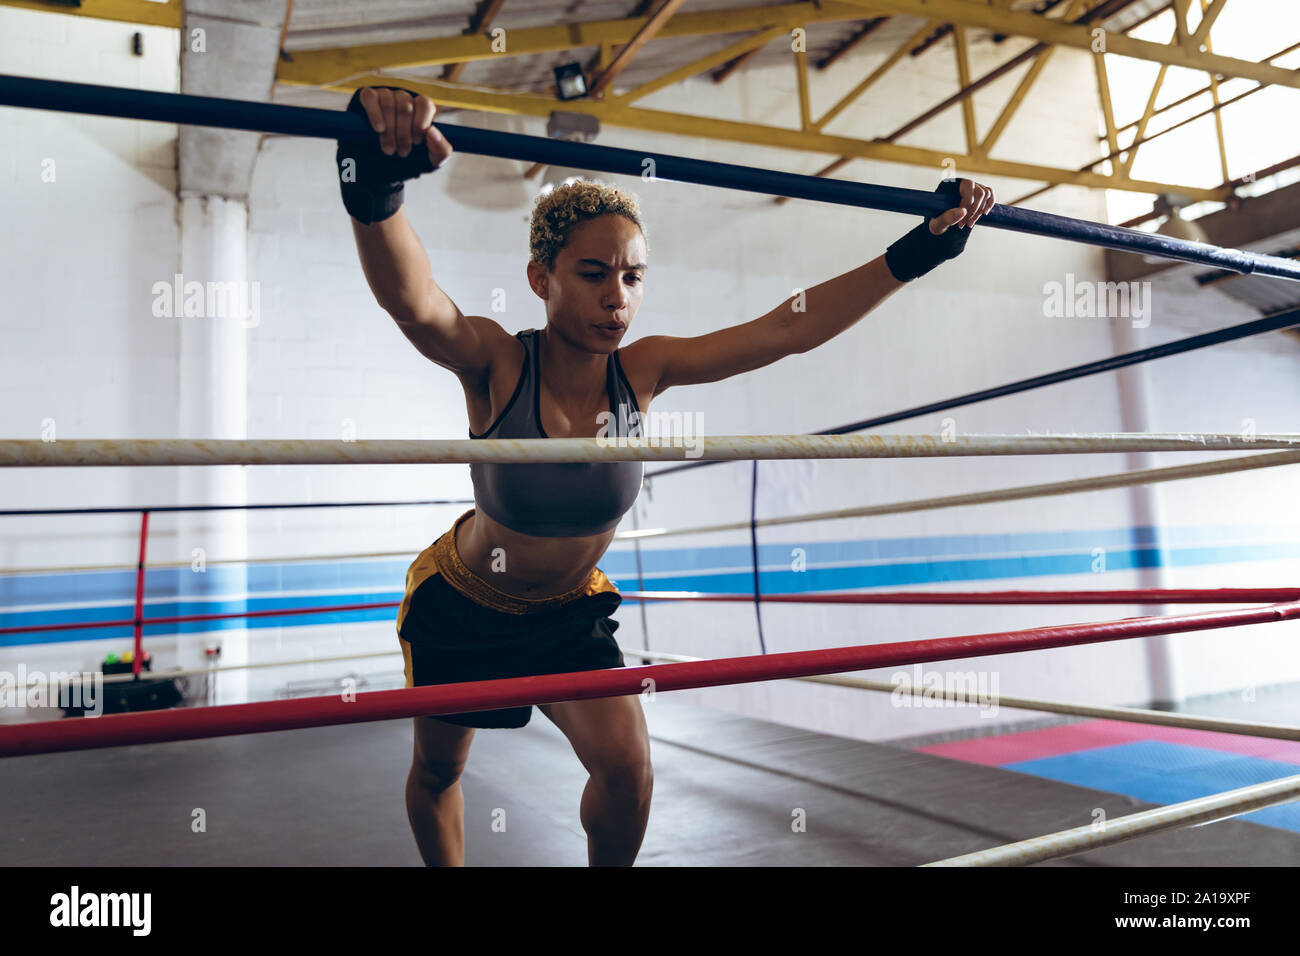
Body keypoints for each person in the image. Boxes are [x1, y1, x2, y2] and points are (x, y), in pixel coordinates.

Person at [336, 86, 995, 866]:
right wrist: (377, 191)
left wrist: (917, 250)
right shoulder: (496, 361)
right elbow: (416, 305)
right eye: (592, 274)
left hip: (564, 618)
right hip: (466, 604)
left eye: (633, 277)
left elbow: (789, 329)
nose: (618, 298)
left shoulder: (643, 372)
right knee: (441, 770)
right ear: (541, 277)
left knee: (629, 773)